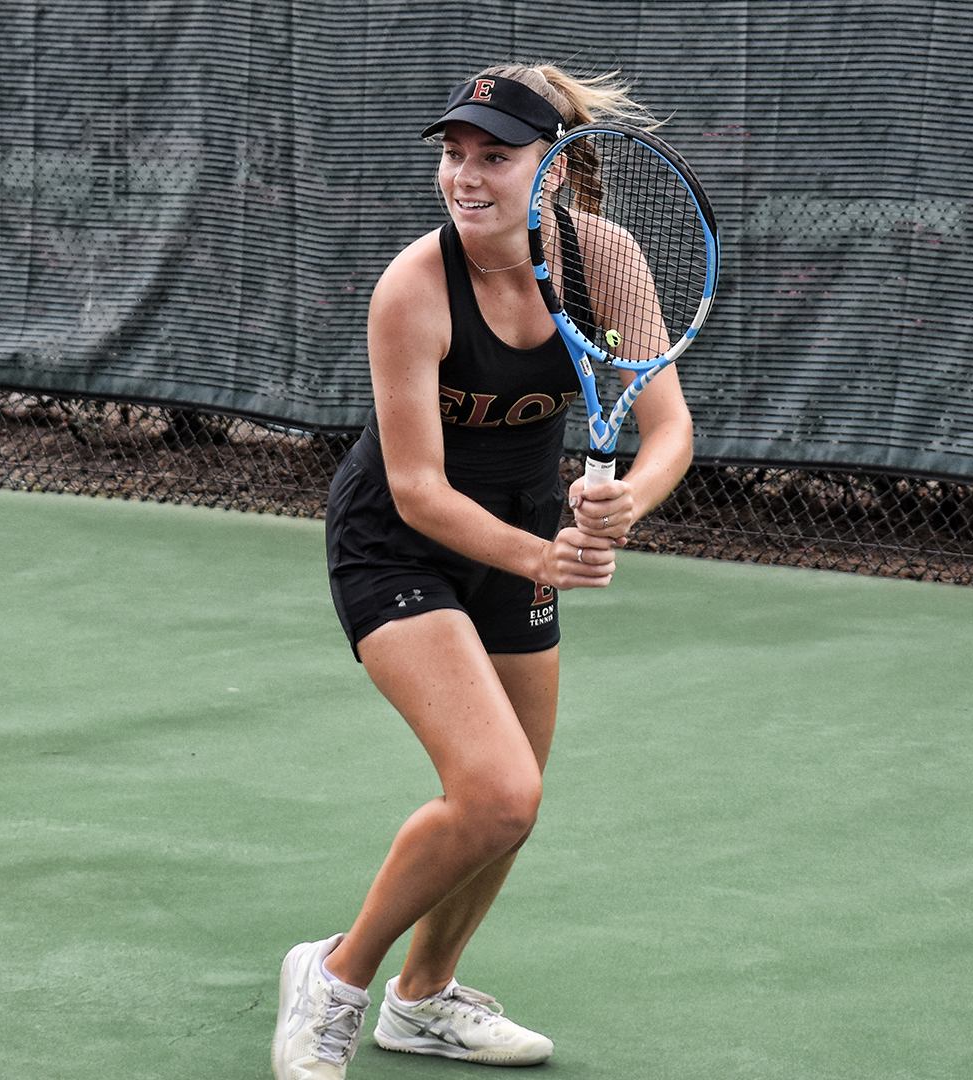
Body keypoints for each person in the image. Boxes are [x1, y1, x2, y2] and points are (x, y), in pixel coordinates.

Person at [271, 63, 693, 1080]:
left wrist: (630, 498)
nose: (466, 175)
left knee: (513, 802)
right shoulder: (414, 288)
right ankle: (334, 979)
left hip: (517, 539)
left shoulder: (606, 262)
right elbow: (416, 487)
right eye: (454, 154)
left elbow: (669, 426)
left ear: (550, 170)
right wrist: (546, 552)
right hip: (398, 545)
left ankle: (423, 1000)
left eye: (493, 157)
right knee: (497, 791)